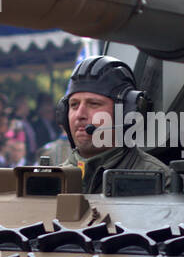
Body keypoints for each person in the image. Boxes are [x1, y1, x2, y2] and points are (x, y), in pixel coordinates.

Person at [60, 56, 172, 194]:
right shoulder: (49, 180)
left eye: (94, 104)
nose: (79, 114)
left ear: (125, 113)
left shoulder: (158, 180)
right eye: (74, 105)